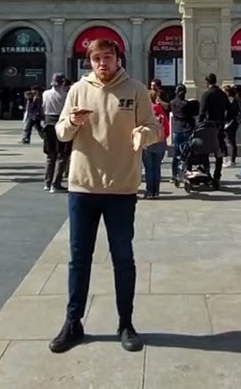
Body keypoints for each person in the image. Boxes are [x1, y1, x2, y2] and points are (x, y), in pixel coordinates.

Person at [50, 38, 160, 354]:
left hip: (121, 190)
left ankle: (126, 323)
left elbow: (154, 127)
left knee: (123, 258)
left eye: (108, 57)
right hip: (83, 188)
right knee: (78, 259)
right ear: (89, 62)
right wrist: (72, 121)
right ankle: (73, 322)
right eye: (96, 58)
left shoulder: (136, 90)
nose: (102, 63)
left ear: (118, 59)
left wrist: (144, 134)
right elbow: (61, 133)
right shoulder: (78, 91)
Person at [41, 74, 71, 192]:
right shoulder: (65, 96)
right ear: (63, 83)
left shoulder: (45, 94)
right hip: (60, 123)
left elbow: (43, 108)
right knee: (62, 155)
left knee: (50, 156)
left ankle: (47, 183)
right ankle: (56, 184)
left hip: (48, 125)